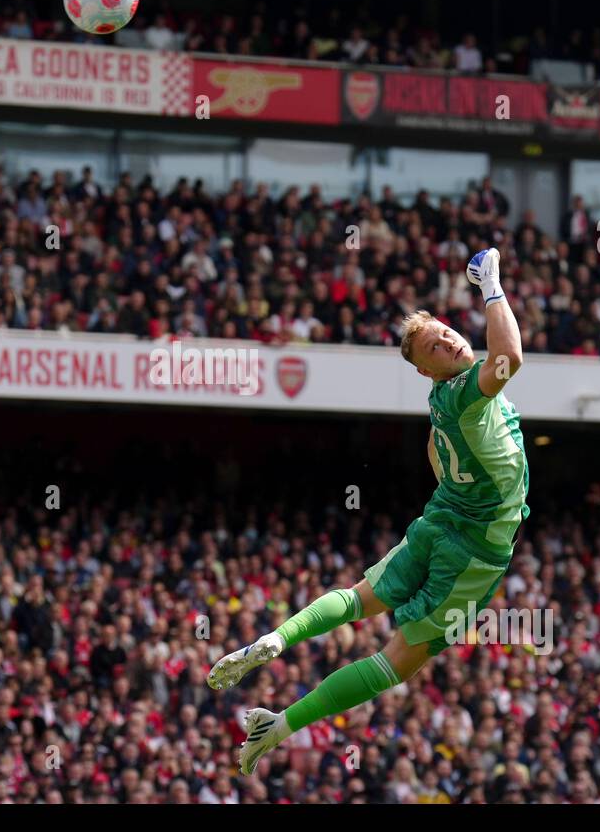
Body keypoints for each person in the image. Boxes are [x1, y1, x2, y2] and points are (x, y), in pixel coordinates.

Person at [210, 248, 530, 775]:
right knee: (399, 660)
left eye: (446, 331)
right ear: (428, 368)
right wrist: (490, 284)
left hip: (438, 519)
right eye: (437, 344)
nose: (450, 338)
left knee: (362, 598)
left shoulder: (439, 397)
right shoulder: (468, 393)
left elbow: (435, 449)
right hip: (476, 549)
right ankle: (280, 724)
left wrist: (459, 489)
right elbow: (509, 358)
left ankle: (276, 638)